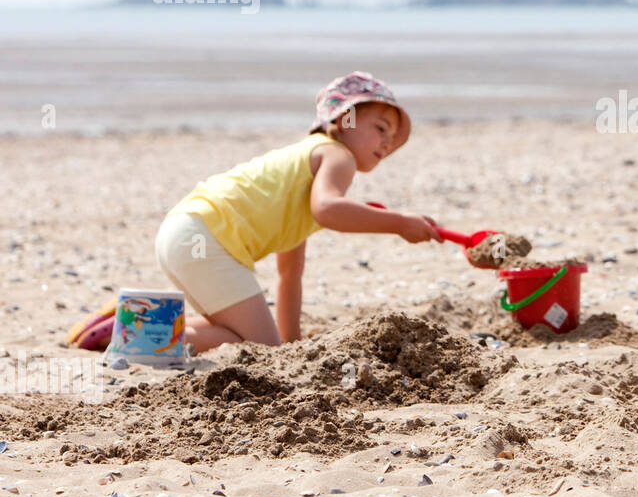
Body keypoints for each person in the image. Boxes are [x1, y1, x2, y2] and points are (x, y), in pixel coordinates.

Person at [155, 71, 442, 353]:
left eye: (392, 138)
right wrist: (399, 223)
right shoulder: (338, 156)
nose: (387, 142)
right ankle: (139, 335)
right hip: (204, 239)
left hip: (185, 230)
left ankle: (136, 322)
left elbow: (289, 275)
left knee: (244, 336)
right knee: (259, 347)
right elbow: (328, 210)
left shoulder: (301, 175)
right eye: (381, 128)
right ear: (346, 120)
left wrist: (291, 348)